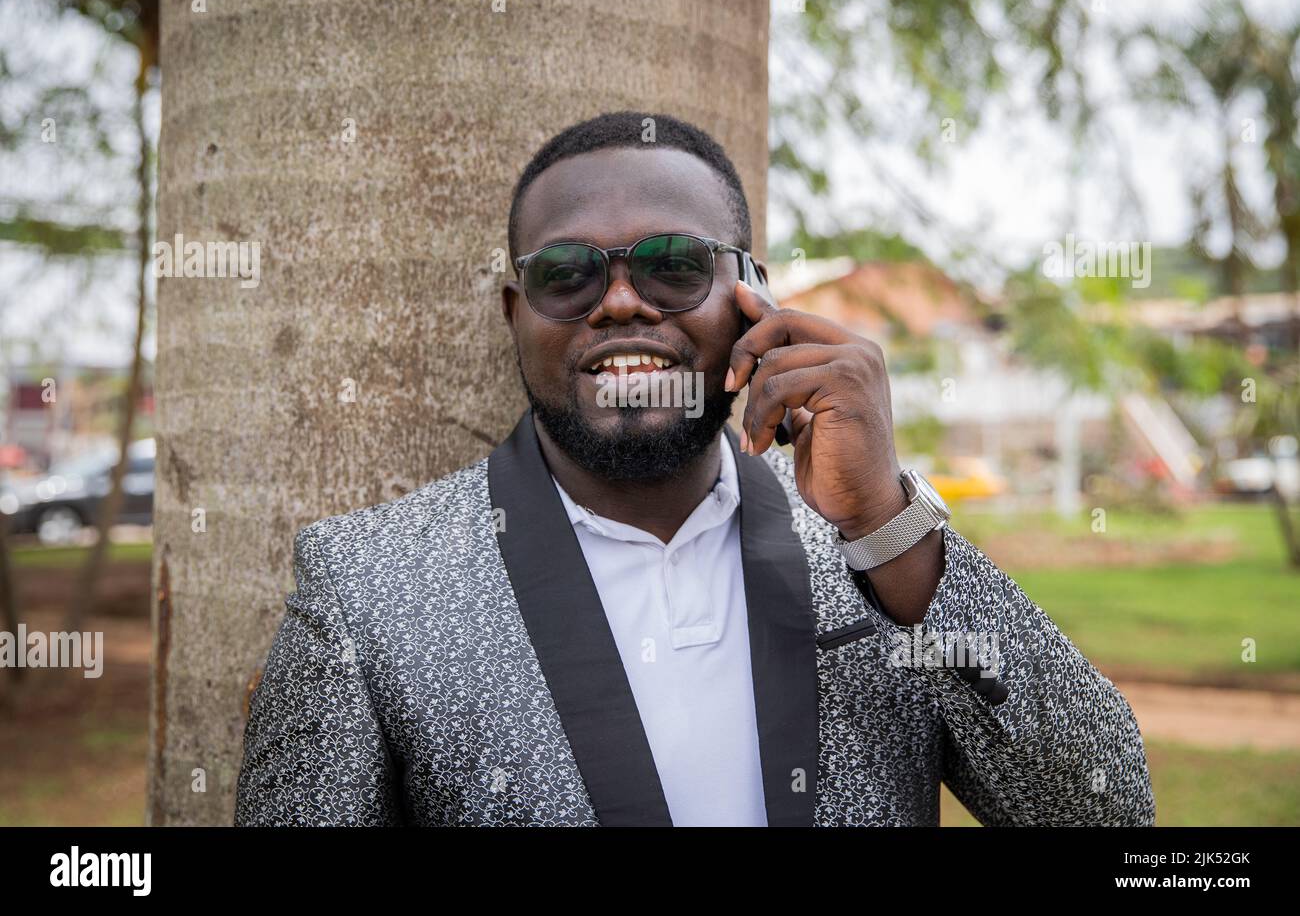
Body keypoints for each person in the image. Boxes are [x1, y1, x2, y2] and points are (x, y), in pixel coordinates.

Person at [235, 111, 1155, 827]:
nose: (622, 301)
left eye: (675, 265)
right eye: (569, 274)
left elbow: (1106, 810)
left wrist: (883, 521)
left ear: (753, 298)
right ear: (517, 313)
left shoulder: (883, 554)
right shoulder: (365, 586)